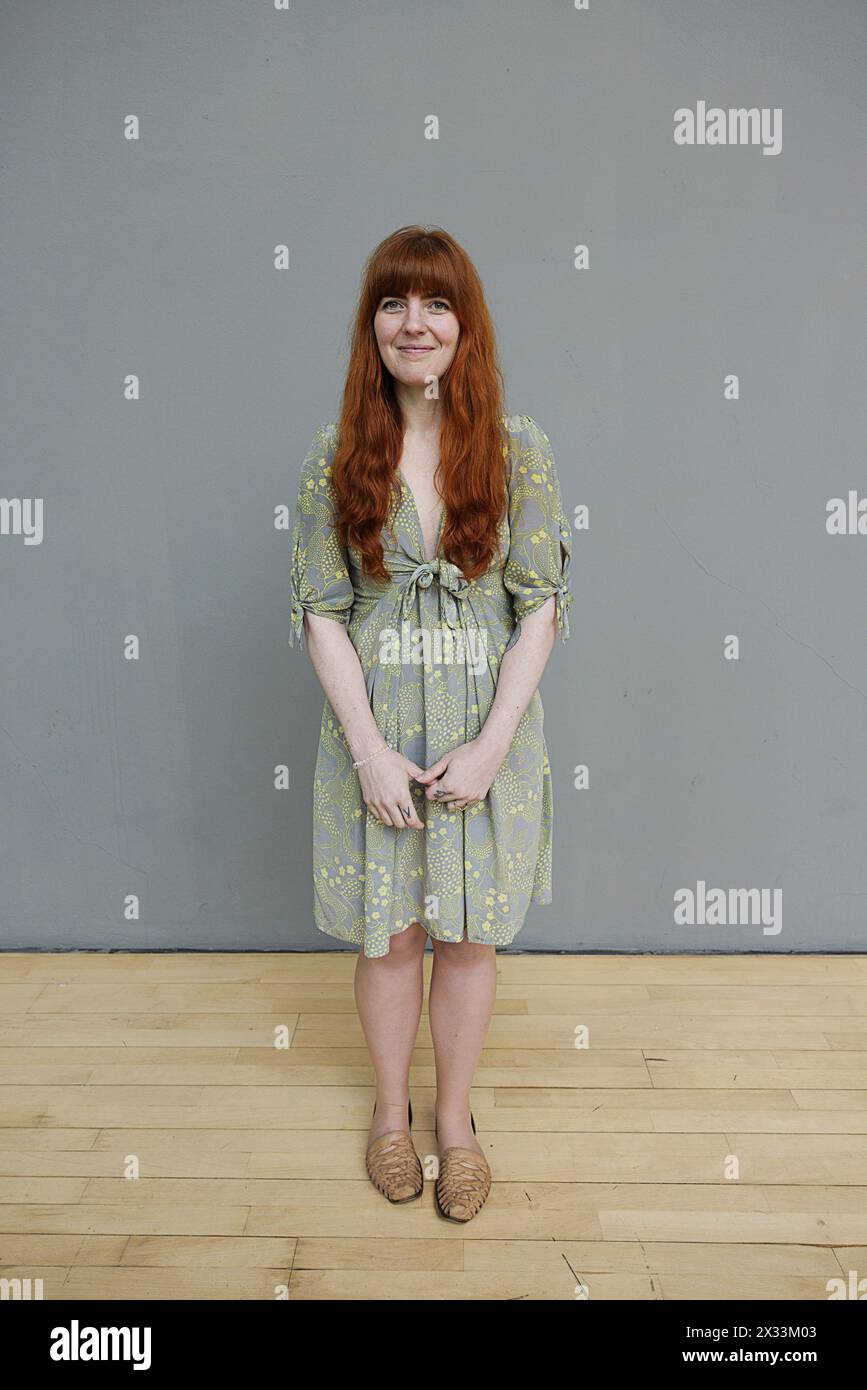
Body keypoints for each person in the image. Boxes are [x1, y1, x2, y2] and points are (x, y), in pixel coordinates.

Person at [288, 225, 572, 1222]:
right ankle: (389, 1115)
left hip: (480, 736)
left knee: (469, 940)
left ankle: (455, 1124)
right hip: (377, 738)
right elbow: (322, 611)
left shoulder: (517, 447)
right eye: (396, 303)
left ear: (466, 323)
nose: (417, 323)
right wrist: (367, 749)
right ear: (374, 325)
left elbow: (537, 606)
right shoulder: (337, 454)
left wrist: (494, 746)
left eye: (437, 303)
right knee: (391, 938)